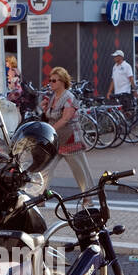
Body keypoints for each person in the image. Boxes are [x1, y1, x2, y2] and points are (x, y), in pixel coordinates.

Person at [41, 67, 95, 196]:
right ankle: (41, 196)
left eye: (54, 80)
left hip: (70, 138)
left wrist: (48, 131)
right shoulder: (52, 97)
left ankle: (88, 197)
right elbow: (50, 116)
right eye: (50, 80)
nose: (51, 83)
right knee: (46, 168)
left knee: (80, 171)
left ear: (62, 81)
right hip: (55, 139)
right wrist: (44, 109)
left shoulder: (69, 98)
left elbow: (65, 119)